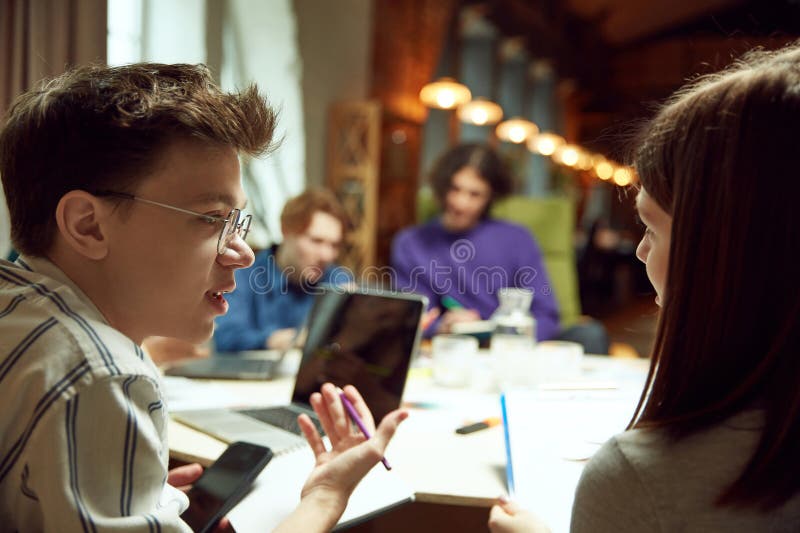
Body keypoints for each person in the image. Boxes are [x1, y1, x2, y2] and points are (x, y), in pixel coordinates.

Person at [0, 63, 406, 532]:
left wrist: (135, 497)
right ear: (88, 225)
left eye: (238, 222)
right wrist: (324, 496)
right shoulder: (105, 377)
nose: (244, 254)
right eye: (212, 218)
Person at [488, 42, 800, 532]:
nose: (640, 252)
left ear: (727, 253)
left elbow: (545, 313)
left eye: (651, 229)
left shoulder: (644, 482)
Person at [391, 144, 561, 341]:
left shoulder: (517, 239)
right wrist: (442, 326)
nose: (461, 203)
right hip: (450, 347)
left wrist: (502, 334)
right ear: (442, 186)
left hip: (510, 349)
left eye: (475, 194)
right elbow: (413, 319)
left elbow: (547, 316)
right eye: (455, 189)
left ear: (491, 197)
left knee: (589, 334)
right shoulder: (412, 243)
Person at [213, 187, 349, 352]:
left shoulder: (338, 280)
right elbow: (226, 338)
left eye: (334, 245)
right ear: (286, 231)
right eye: (316, 241)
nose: (326, 255)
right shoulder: (242, 274)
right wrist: (283, 340)